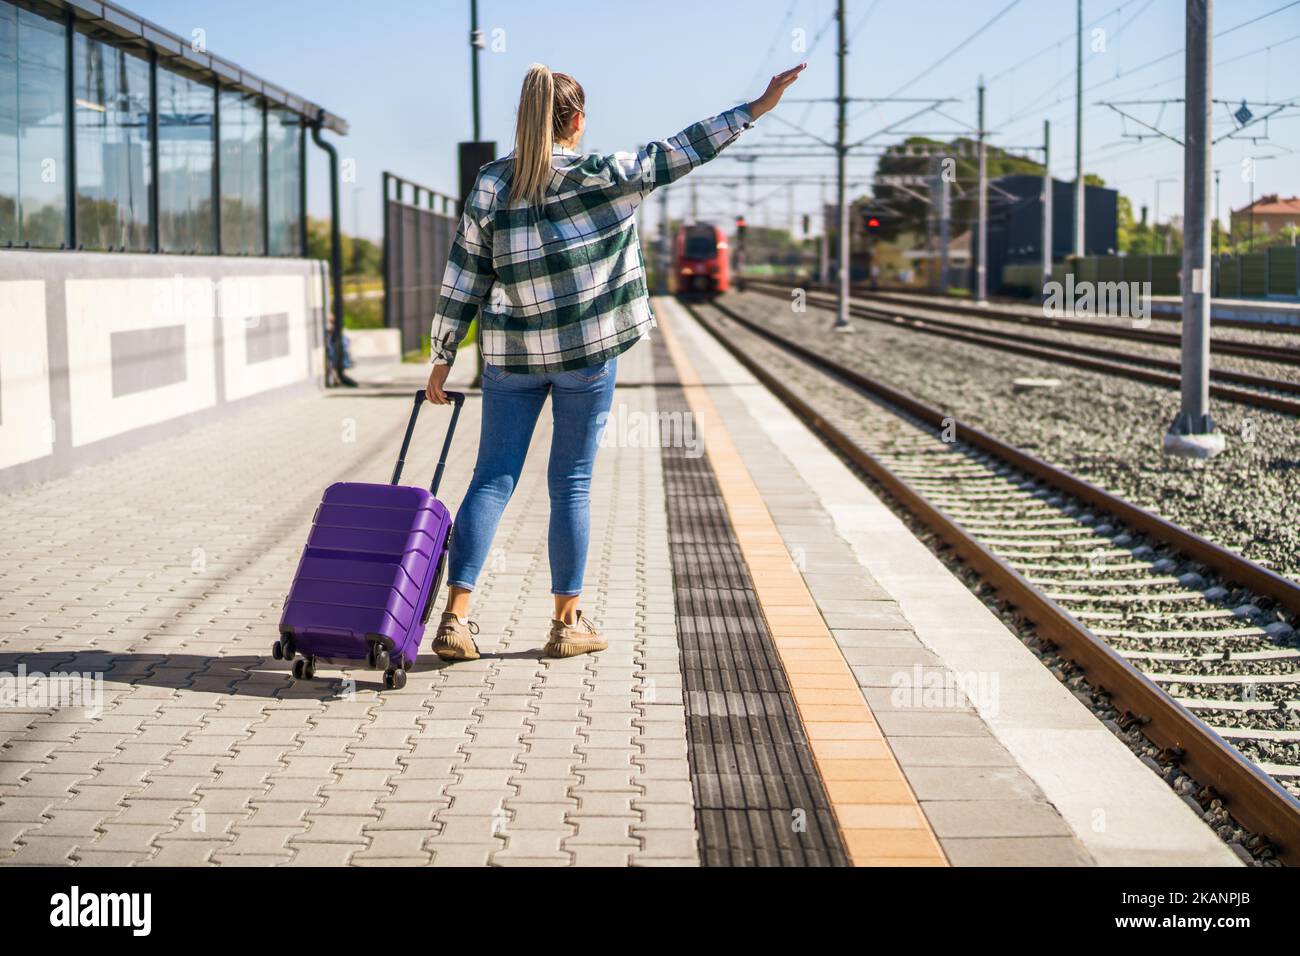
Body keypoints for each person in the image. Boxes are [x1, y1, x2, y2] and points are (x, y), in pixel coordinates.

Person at [425, 60, 805, 661]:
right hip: (587, 356)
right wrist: (755, 109)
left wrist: (441, 358)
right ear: (575, 120)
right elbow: (682, 149)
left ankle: (455, 617)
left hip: (510, 356)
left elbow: (463, 271)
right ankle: (565, 623)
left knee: (492, 479)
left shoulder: (492, 183)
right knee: (569, 483)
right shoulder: (607, 174)